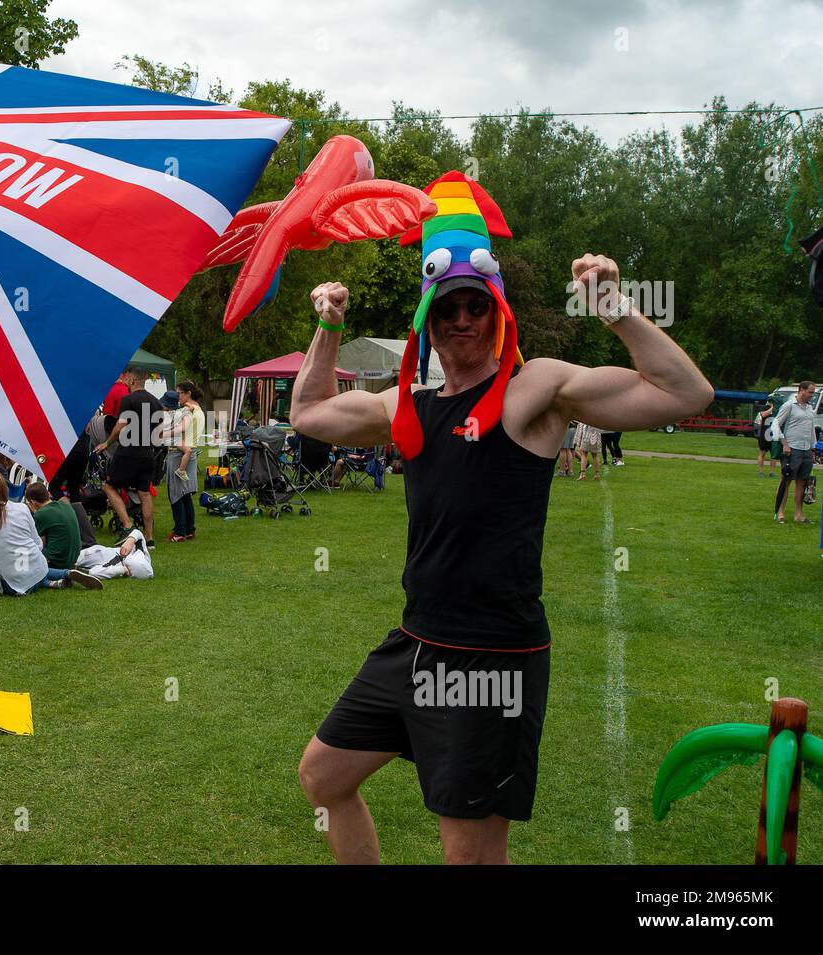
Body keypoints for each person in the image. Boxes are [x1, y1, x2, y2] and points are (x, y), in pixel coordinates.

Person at [291, 243, 712, 865]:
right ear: (427, 325)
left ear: (498, 318)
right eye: (447, 309)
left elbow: (686, 393)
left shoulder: (533, 389)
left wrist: (610, 304)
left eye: (476, 307)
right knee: (323, 778)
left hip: (492, 654)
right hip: (415, 640)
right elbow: (307, 412)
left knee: (472, 855)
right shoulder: (410, 405)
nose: (461, 318)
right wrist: (328, 325)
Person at [0, 471, 101, 600]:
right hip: (37, 569)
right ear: (4, 488)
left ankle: (55, 579)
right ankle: (62, 575)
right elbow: (38, 543)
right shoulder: (22, 507)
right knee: (28, 567)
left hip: (15, 584)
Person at [95, 368, 162, 545]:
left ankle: (127, 526)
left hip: (128, 452)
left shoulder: (128, 399)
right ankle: (149, 537)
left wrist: (107, 443)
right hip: (147, 453)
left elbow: (119, 426)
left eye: (126, 380)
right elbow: (159, 433)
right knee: (145, 494)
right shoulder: (156, 402)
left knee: (109, 487)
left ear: (132, 380)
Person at [162, 380, 206, 542]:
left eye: (179, 393)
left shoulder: (188, 411)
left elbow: (179, 429)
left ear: (188, 393)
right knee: (185, 494)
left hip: (179, 453)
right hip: (189, 452)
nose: (177, 396)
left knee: (176, 494)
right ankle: (188, 529)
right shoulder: (197, 410)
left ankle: (180, 531)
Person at [773, 381, 817, 524]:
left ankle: (799, 514)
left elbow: (811, 429)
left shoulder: (810, 408)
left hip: (806, 450)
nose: (812, 395)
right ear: (801, 390)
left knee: (802, 482)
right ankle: (780, 513)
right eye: (810, 392)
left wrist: (813, 447)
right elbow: (776, 424)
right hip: (792, 449)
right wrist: (784, 443)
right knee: (786, 481)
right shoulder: (789, 406)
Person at [25, 483, 82, 569]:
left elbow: (40, 544)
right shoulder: (65, 505)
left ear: (32, 502)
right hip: (73, 558)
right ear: (48, 494)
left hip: (57, 560)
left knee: (23, 554)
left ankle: (55, 576)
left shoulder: (41, 514)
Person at [74, 527, 154, 580]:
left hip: (80, 554)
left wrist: (122, 570)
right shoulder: (143, 556)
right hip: (91, 544)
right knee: (76, 508)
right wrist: (130, 540)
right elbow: (138, 533)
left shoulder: (117, 565)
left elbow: (94, 572)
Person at [754, 400, 776, 478]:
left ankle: (772, 472)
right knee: (762, 453)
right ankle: (760, 471)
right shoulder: (764, 408)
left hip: (773, 434)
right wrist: (772, 408)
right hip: (764, 434)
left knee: (773, 455)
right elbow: (763, 415)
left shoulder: (779, 409)